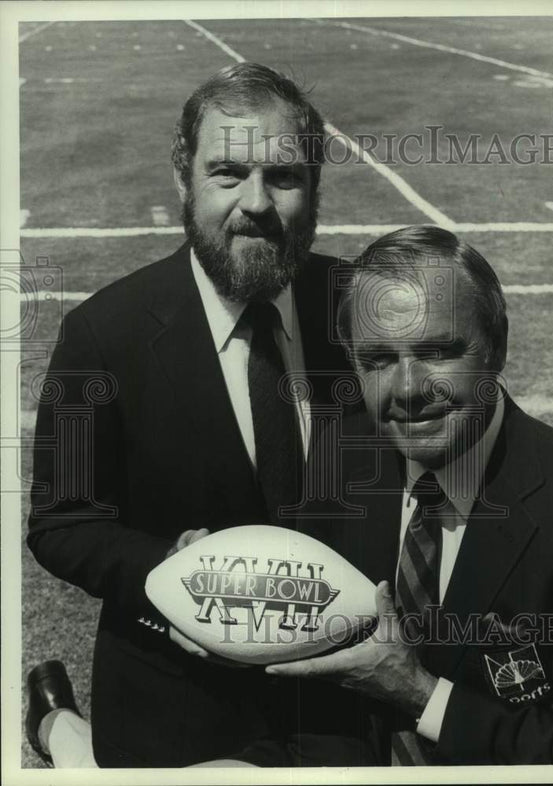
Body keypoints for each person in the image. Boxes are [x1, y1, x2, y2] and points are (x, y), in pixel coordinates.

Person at [26, 62, 365, 768]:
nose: (257, 202)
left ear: (315, 188)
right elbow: (63, 524)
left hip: (344, 703)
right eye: (227, 173)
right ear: (182, 181)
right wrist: (172, 572)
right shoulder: (102, 333)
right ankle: (58, 726)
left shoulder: (361, 306)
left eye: (285, 176)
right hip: (177, 705)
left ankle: (56, 726)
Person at [267, 226, 553, 765]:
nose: (409, 389)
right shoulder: (340, 452)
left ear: (498, 346)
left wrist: (421, 695)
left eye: (437, 351)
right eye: (378, 360)